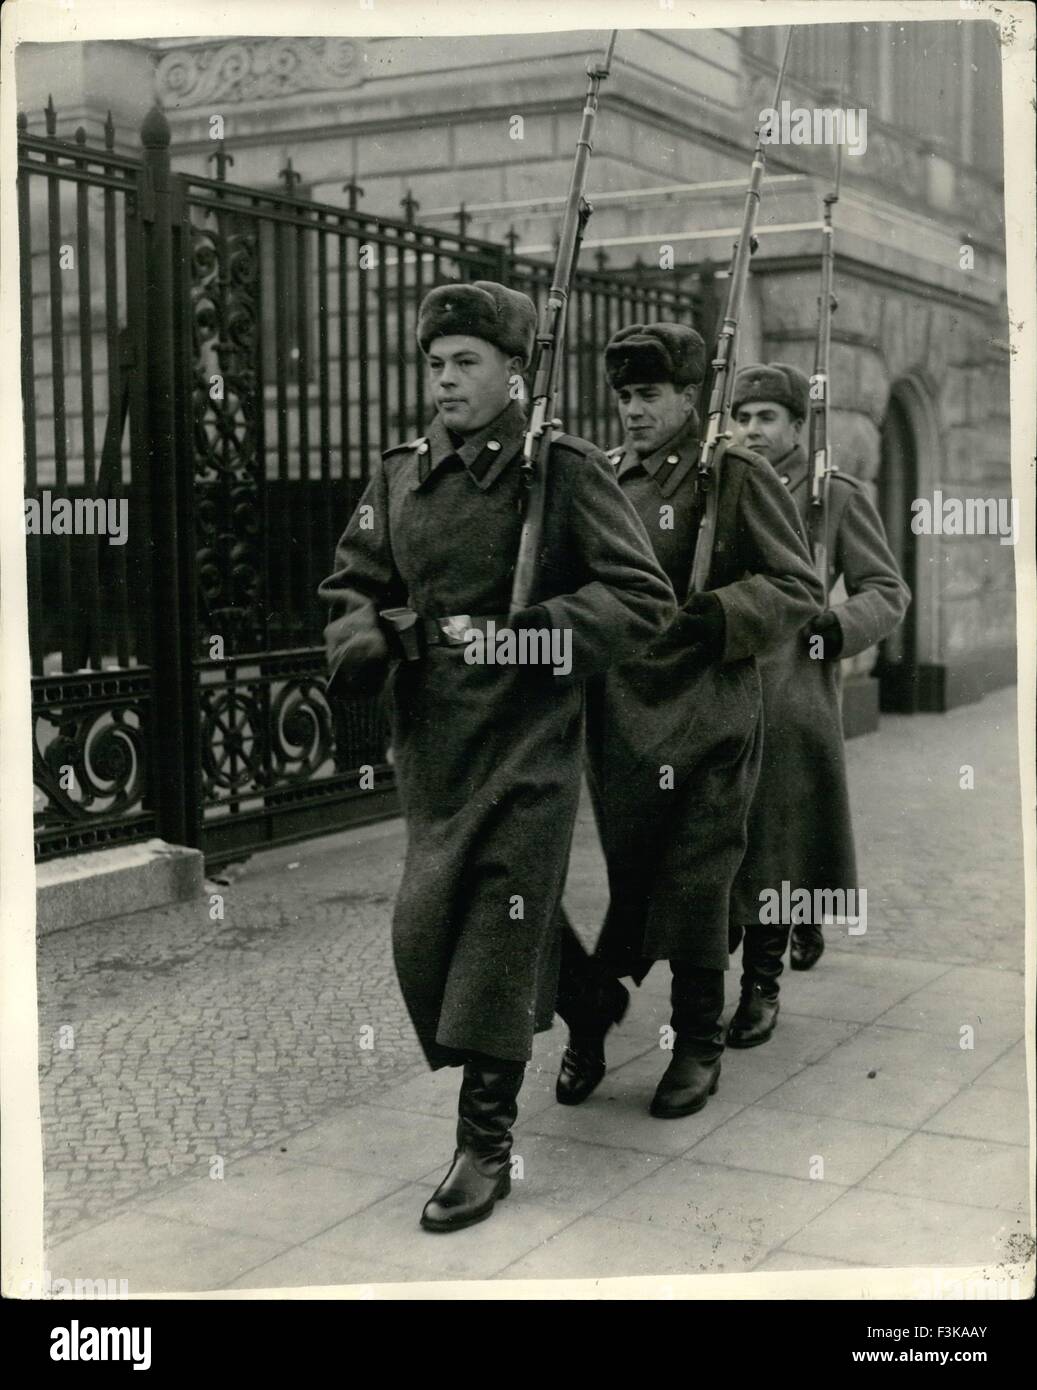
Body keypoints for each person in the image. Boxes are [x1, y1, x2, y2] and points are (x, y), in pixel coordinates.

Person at [318, 282, 676, 1232]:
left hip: (529, 746)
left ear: (514, 373)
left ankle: (484, 1146)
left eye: (465, 363)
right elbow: (352, 585)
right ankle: (592, 1001)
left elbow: (642, 597)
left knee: (493, 928)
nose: (443, 382)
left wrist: (534, 633)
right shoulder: (399, 475)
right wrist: (374, 633)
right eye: (434, 364)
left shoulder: (558, 471)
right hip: (433, 747)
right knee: (437, 922)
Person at [554, 323, 824, 1119]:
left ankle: (697, 1040)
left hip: (711, 716)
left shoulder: (732, 476)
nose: (633, 411)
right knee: (635, 881)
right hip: (625, 721)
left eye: (649, 396)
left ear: (685, 397)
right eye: (623, 397)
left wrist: (720, 613)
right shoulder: (602, 478)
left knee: (701, 883)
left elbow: (796, 585)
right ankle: (591, 1014)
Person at [726, 362, 910, 1046]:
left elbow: (885, 590)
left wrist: (838, 625)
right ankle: (793, 913)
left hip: (793, 684)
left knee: (777, 826)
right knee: (734, 830)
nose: (751, 430)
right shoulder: (720, 484)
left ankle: (760, 986)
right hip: (723, 679)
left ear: (798, 427)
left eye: (766, 418)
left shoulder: (830, 496)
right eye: (742, 417)